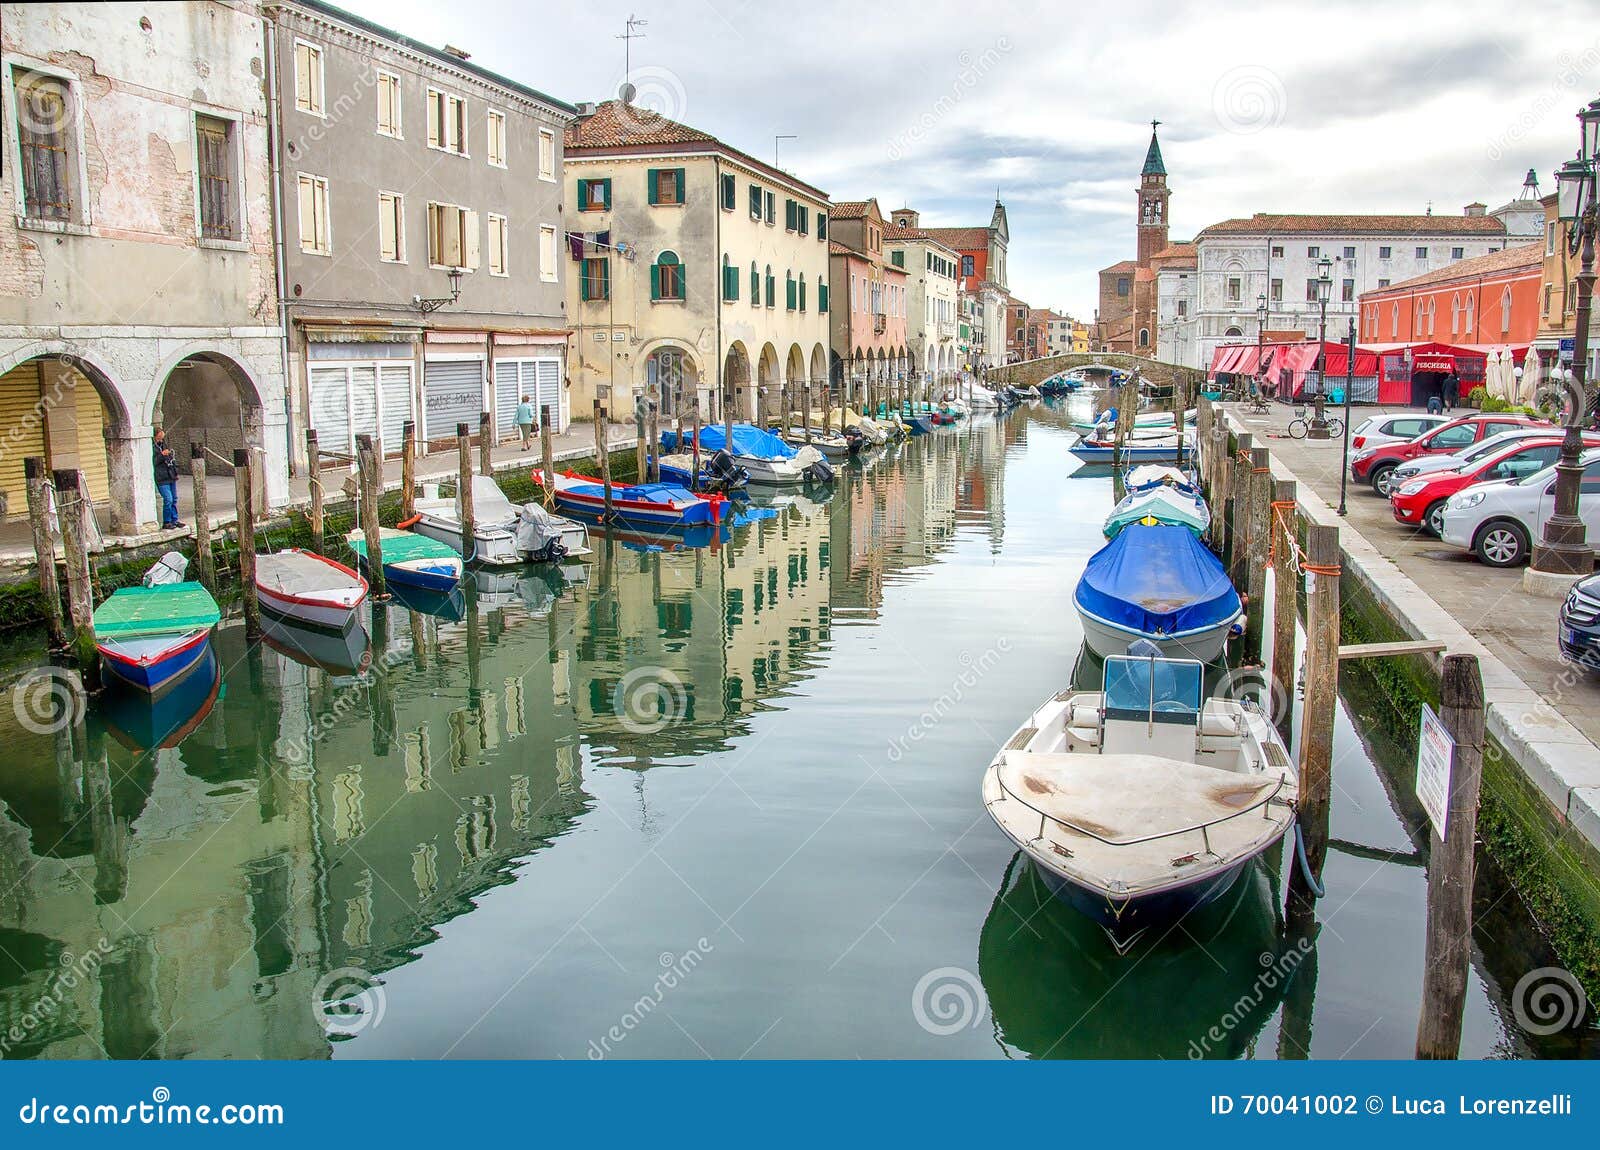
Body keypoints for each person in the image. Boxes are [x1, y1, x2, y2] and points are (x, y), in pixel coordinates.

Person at [152, 427, 183, 529]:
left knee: (174, 499)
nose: (161, 440)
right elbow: (154, 462)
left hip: (170, 475)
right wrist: (161, 455)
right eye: (159, 438)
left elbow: (170, 460)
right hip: (161, 477)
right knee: (168, 499)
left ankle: (175, 519)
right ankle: (167, 521)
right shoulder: (152, 447)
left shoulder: (163, 445)